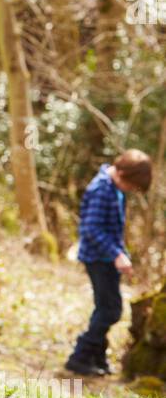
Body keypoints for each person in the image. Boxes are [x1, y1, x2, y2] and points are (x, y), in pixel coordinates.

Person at [65, 149, 152, 376]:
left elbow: (113, 229)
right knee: (111, 310)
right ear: (121, 172)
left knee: (105, 308)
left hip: (108, 258)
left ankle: (98, 357)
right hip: (98, 259)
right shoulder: (101, 190)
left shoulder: (115, 188)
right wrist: (116, 254)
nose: (131, 190)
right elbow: (91, 229)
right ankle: (80, 355)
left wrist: (121, 253)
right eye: (131, 185)